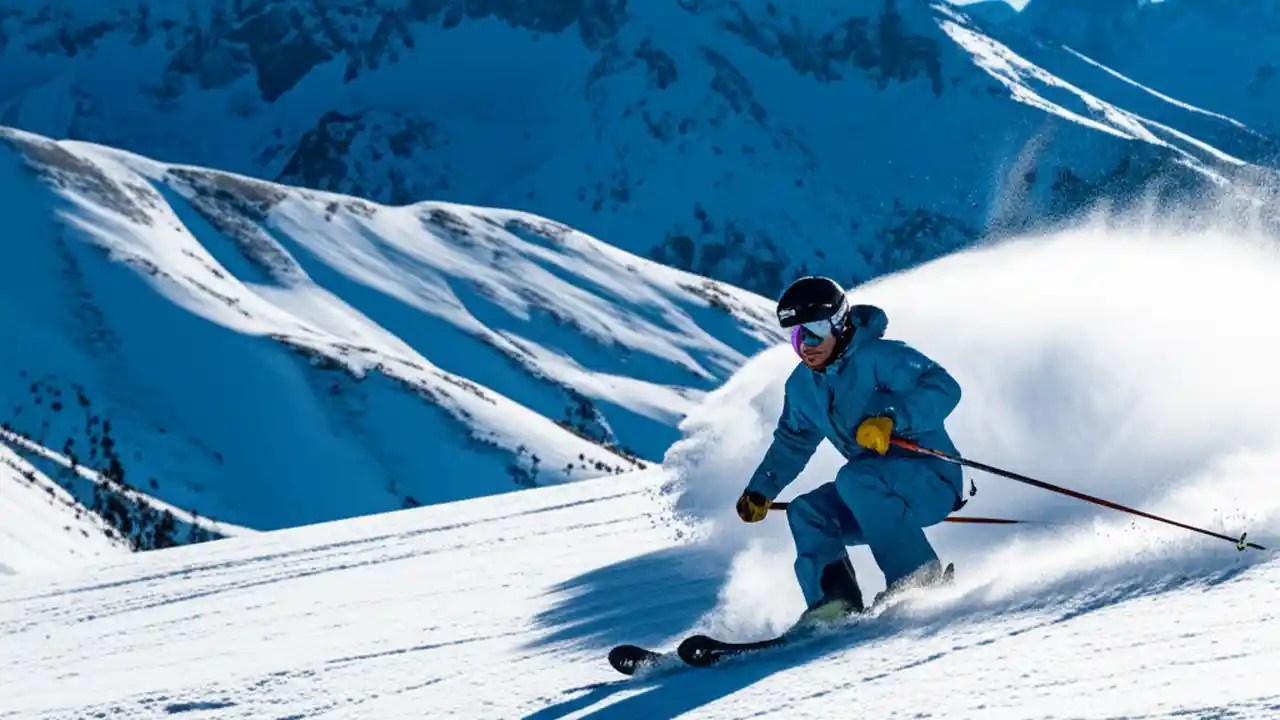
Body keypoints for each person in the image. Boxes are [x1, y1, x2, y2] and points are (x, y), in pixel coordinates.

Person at [736, 276, 965, 622]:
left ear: (839, 324)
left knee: (855, 478)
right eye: (796, 335)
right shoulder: (802, 386)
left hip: (932, 480)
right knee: (807, 511)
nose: (806, 344)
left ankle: (919, 578)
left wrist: (891, 417)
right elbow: (793, 441)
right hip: (872, 492)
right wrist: (761, 489)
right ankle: (834, 601)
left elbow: (944, 386)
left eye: (814, 330)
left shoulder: (879, 357)